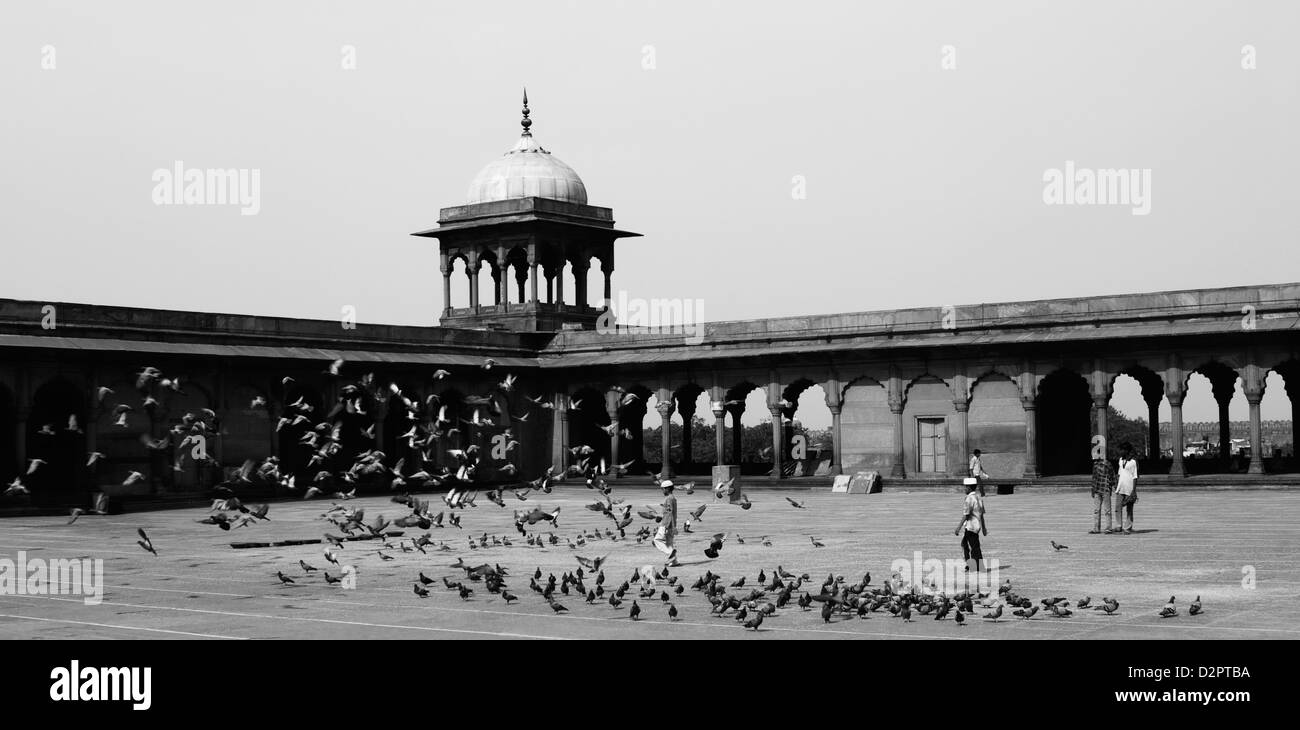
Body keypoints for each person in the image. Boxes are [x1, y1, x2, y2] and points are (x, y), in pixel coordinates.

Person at [953, 479, 988, 572]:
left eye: (965, 487)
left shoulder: (969, 499)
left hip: (970, 526)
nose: (964, 489)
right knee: (972, 545)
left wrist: (958, 527)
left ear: (969, 487)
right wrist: (984, 528)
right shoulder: (979, 498)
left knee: (969, 546)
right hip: (977, 526)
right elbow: (981, 515)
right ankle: (977, 566)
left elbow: (966, 514)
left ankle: (973, 566)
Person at [652, 479, 681, 567]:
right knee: (669, 543)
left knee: (657, 540)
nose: (662, 491)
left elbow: (669, 513)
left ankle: (670, 553)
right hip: (672, 523)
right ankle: (674, 561)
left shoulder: (669, 499)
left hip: (666, 524)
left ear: (668, 489)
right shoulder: (673, 498)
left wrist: (667, 525)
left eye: (663, 489)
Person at [1114, 442, 1139, 534]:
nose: (1121, 451)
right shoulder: (1120, 460)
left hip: (1129, 488)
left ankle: (1127, 527)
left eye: (1122, 450)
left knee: (1129, 508)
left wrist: (1134, 491)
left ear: (1127, 450)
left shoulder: (1133, 462)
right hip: (1120, 487)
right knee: (1118, 507)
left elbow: (1135, 476)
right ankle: (1118, 525)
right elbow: (1119, 473)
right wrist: (1116, 483)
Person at [1090, 453, 1117, 534]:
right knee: (1096, 510)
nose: (1093, 457)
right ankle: (1096, 528)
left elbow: (1112, 475)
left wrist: (1114, 486)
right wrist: (1092, 489)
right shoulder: (1095, 464)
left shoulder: (1107, 464)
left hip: (1105, 489)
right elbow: (1094, 478)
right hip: (1097, 490)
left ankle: (1108, 528)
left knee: (1107, 510)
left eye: (1094, 455)